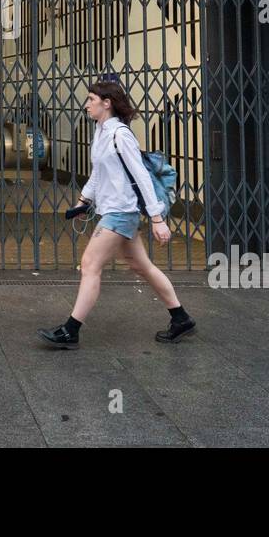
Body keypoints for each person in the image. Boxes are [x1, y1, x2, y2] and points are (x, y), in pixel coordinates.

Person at [38, 80, 196, 347]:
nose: (86, 105)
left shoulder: (120, 135)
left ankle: (70, 330)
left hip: (121, 212)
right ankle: (180, 318)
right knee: (141, 266)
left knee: (90, 264)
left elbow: (142, 178)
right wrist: (82, 201)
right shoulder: (100, 132)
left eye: (91, 99)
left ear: (106, 103)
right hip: (113, 210)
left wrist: (157, 219)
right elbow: (98, 174)